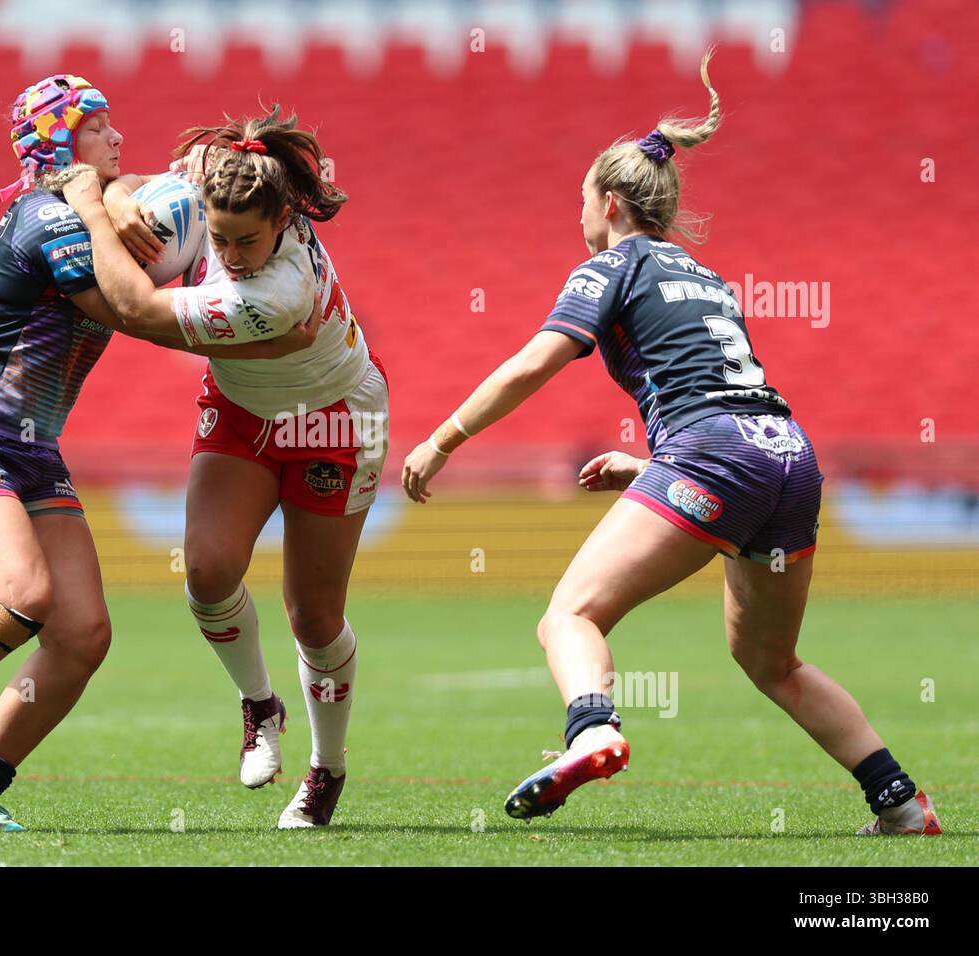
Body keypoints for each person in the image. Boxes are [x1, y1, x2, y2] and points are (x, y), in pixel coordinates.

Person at [399, 52, 940, 836]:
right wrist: (653, 467)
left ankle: (592, 730)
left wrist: (442, 440)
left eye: (581, 202)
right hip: (788, 455)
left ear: (610, 203)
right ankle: (901, 805)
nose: (579, 217)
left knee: (569, 618)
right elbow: (726, 393)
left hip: (714, 455)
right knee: (770, 662)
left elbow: (532, 363)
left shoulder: (611, 263)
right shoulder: (708, 276)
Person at [0, 75, 313, 831]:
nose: (118, 140)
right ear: (59, 143)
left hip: (33, 455)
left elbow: (151, 184)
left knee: (83, 634)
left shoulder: (92, 206)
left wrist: (111, 191)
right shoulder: (47, 220)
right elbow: (138, 315)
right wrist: (263, 331)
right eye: (99, 128)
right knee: (26, 593)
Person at [60, 104, 388, 828]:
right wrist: (118, 195)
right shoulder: (221, 178)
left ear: (283, 222)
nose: (232, 256)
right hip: (242, 412)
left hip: (337, 420)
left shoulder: (279, 294)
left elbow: (137, 311)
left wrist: (88, 206)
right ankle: (260, 705)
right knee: (207, 574)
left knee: (313, 614)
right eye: (219, 238)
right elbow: (146, 183)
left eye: (247, 241)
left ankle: (326, 769)